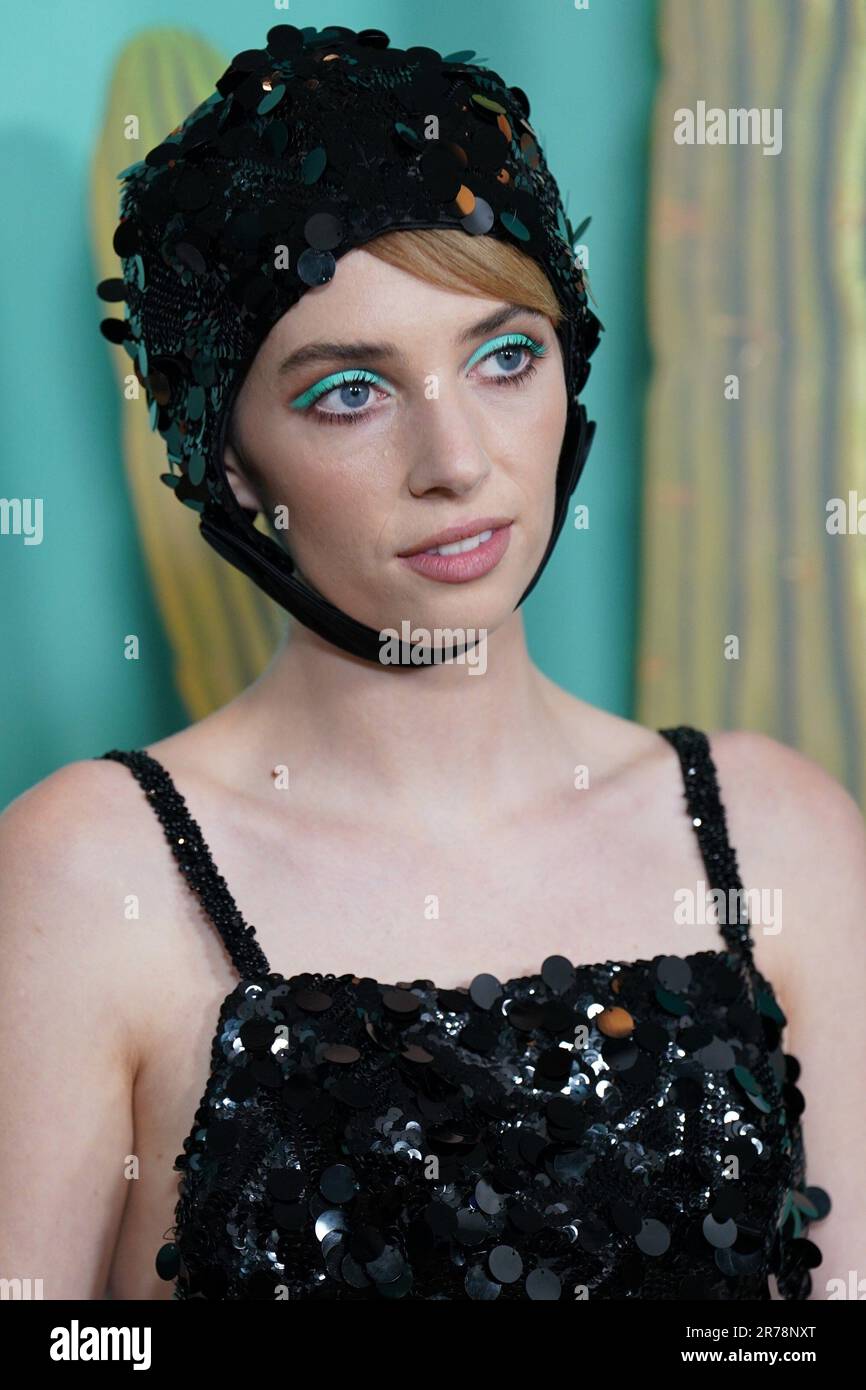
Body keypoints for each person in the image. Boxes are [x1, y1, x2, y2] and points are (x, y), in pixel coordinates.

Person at [0, 23, 862, 1302]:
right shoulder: (85, 870)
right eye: (350, 389)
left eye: (504, 355)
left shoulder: (777, 834)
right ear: (226, 464)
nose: (454, 458)